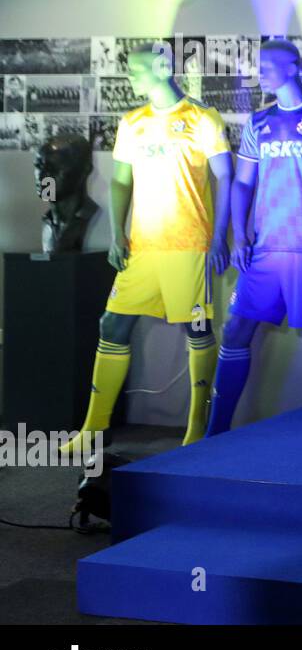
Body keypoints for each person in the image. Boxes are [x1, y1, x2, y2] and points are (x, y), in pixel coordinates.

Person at [60, 42, 232, 454]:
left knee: (197, 328)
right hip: (142, 247)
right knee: (112, 325)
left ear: (161, 67)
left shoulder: (202, 118)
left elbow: (226, 178)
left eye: (136, 70)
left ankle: (197, 425)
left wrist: (220, 235)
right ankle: (92, 428)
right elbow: (121, 182)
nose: (131, 78)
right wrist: (118, 233)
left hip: (189, 245)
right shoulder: (132, 122)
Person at [205, 40, 302, 435]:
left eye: (268, 65)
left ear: (293, 66)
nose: (261, 73)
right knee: (236, 330)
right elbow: (241, 184)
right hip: (264, 250)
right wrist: (239, 236)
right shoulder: (259, 123)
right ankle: (215, 432)